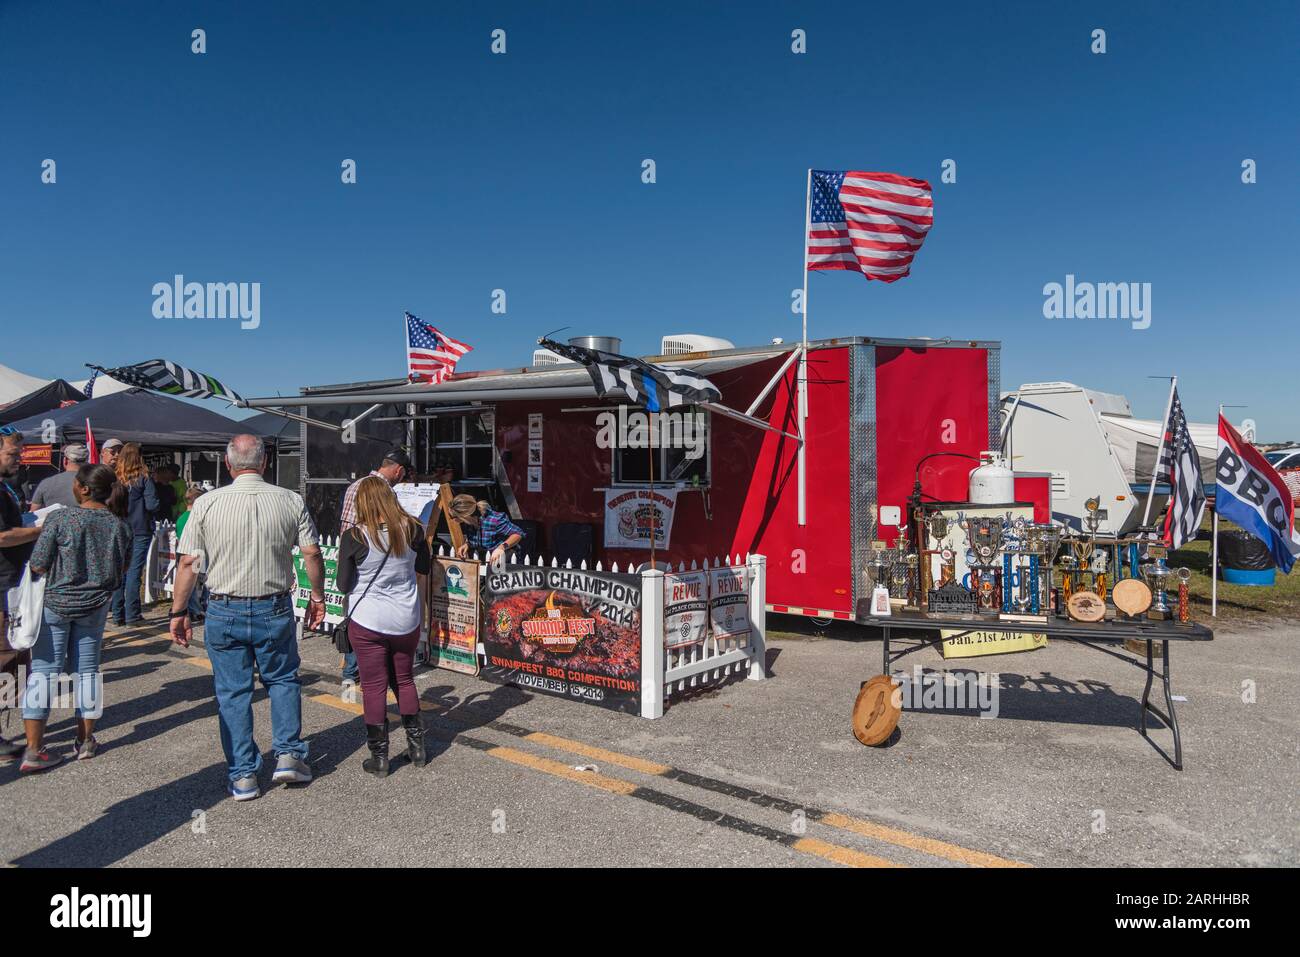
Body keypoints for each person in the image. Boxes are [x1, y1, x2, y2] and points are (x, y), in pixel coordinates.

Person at [169, 434, 326, 802]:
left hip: (224, 606)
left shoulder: (205, 504)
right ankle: (288, 753)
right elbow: (312, 554)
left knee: (233, 693)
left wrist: (178, 610)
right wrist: (317, 595)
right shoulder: (290, 500)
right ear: (265, 462)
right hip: (273, 605)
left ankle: (243, 775)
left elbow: (189, 563)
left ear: (227, 464)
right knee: (283, 679)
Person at [19, 464, 131, 772]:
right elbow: (123, 569)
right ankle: (84, 741)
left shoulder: (59, 518)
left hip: (55, 603)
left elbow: (39, 563)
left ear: (82, 489)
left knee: (44, 671)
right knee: (88, 672)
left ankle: (34, 748)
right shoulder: (119, 526)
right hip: (95, 606)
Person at [336, 476, 431, 776]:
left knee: (374, 686)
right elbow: (424, 567)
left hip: (369, 621)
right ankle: (417, 749)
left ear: (363, 503)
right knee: (404, 680)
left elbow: (343, 584)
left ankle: (379, 759)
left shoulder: (355, 536)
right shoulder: (413, 529)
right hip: (406, 619)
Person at [337, 449, 412, 684]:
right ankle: (369, 674)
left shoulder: (356, 485)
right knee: (376, 618)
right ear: (398, 471)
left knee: (356, 614)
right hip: (374, 557)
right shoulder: (383, 491)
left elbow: (347, 526)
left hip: (354, 556)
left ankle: (350, 676)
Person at [0, 428, 44, 764]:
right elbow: (2, 536)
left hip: (12, 582)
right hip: (3, 586)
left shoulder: (6, 486)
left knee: (15, 663)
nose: (19, 459)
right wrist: (41, 528)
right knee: (5, 659)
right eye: (13, 454)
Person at [109, 443, 158, 627]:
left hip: (119, 527)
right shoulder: (143, 478)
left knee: (120, 572)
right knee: (134, 572)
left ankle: (117, 614)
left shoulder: (115, 478)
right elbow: (152, 504)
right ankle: (132, 615)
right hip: (140, 528)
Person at [449, 494, 523, 564]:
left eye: (454, 517)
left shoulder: (494, 520)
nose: (452, 519)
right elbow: (476, 539)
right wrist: (467, 544)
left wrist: (501, 548)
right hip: (485, 561)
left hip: (506, 562)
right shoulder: (469, 523)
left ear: (465, 515)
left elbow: (518, 534)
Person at [175, 485, 207, 621]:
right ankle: (200, 607)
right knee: (204, 581)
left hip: (184, 552)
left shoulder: (181, 518)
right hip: (197, 553)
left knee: (192, 584)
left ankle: (194, 608)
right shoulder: (195, 518)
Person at [30, 443, 89, 511]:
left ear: (65, 461)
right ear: (87, 462)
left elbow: (34, 512)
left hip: (52, 520)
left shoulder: (46, 483)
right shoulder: (95, 482)